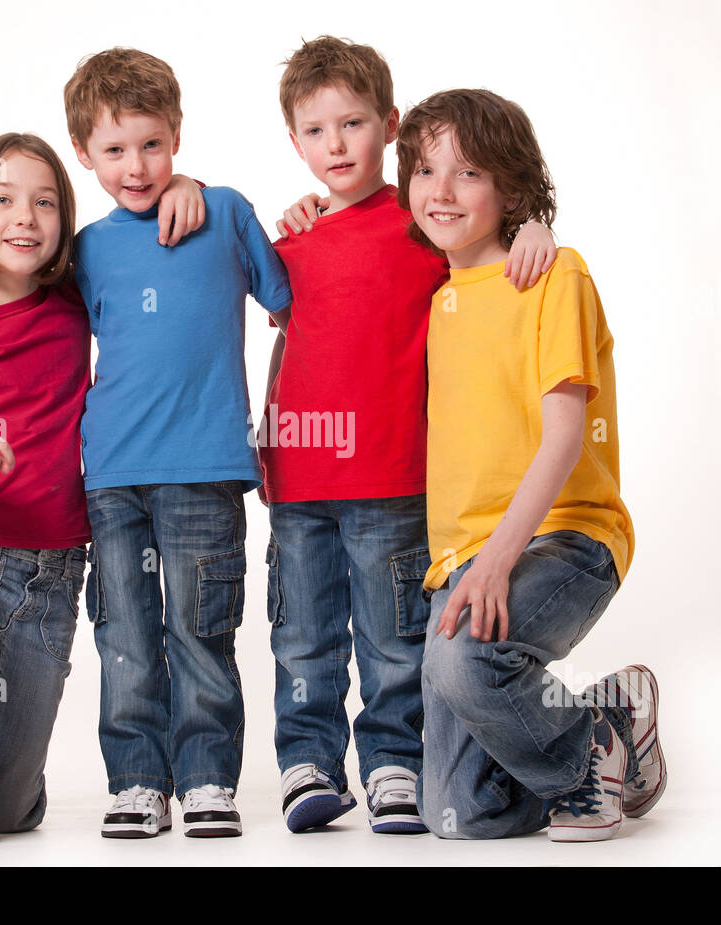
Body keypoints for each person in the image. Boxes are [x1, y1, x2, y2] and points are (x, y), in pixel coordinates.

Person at [0, 132, 203, 847]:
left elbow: (139, 241)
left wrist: (186, 186)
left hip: (53, 576)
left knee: (15, 813)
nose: (26, 218)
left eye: (45, 203)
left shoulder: (75, 299)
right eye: (5, 200)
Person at [260, 36, 558, 834]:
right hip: (297, 479)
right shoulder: (290, 241)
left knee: (393, 638)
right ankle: (307, 763)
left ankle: (393, 761)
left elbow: (485, 248)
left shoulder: (422, 226)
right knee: (303, 637)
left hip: (394, 478)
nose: (336, 146)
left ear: (389, 126)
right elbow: (288, 340)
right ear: (295, 142)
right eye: (316, 132)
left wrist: (534, 226)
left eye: (352, 125)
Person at [398, 89, 665, 841]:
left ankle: (590, 763)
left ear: (510, 188)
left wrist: (494, 566)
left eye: (468, 172)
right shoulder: (434, 296)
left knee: (463, 660)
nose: (441, 192)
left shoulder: (553, 276)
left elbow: (563, 438)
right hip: (462, 557)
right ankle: (611, 714)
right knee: (455, 814)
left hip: (565, 541)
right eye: (424, 171)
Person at [63, 47, 292, 838]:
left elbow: (289, 298)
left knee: (202, 629)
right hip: (112, 472)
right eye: (115, 149)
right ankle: (134, 779)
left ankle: (204, 780)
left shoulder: (222, 211)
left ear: (179, 137)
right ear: (84, 154)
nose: (137, 166)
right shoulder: (85, 249)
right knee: (123, 632)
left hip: (204, 466)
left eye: (152, 145)